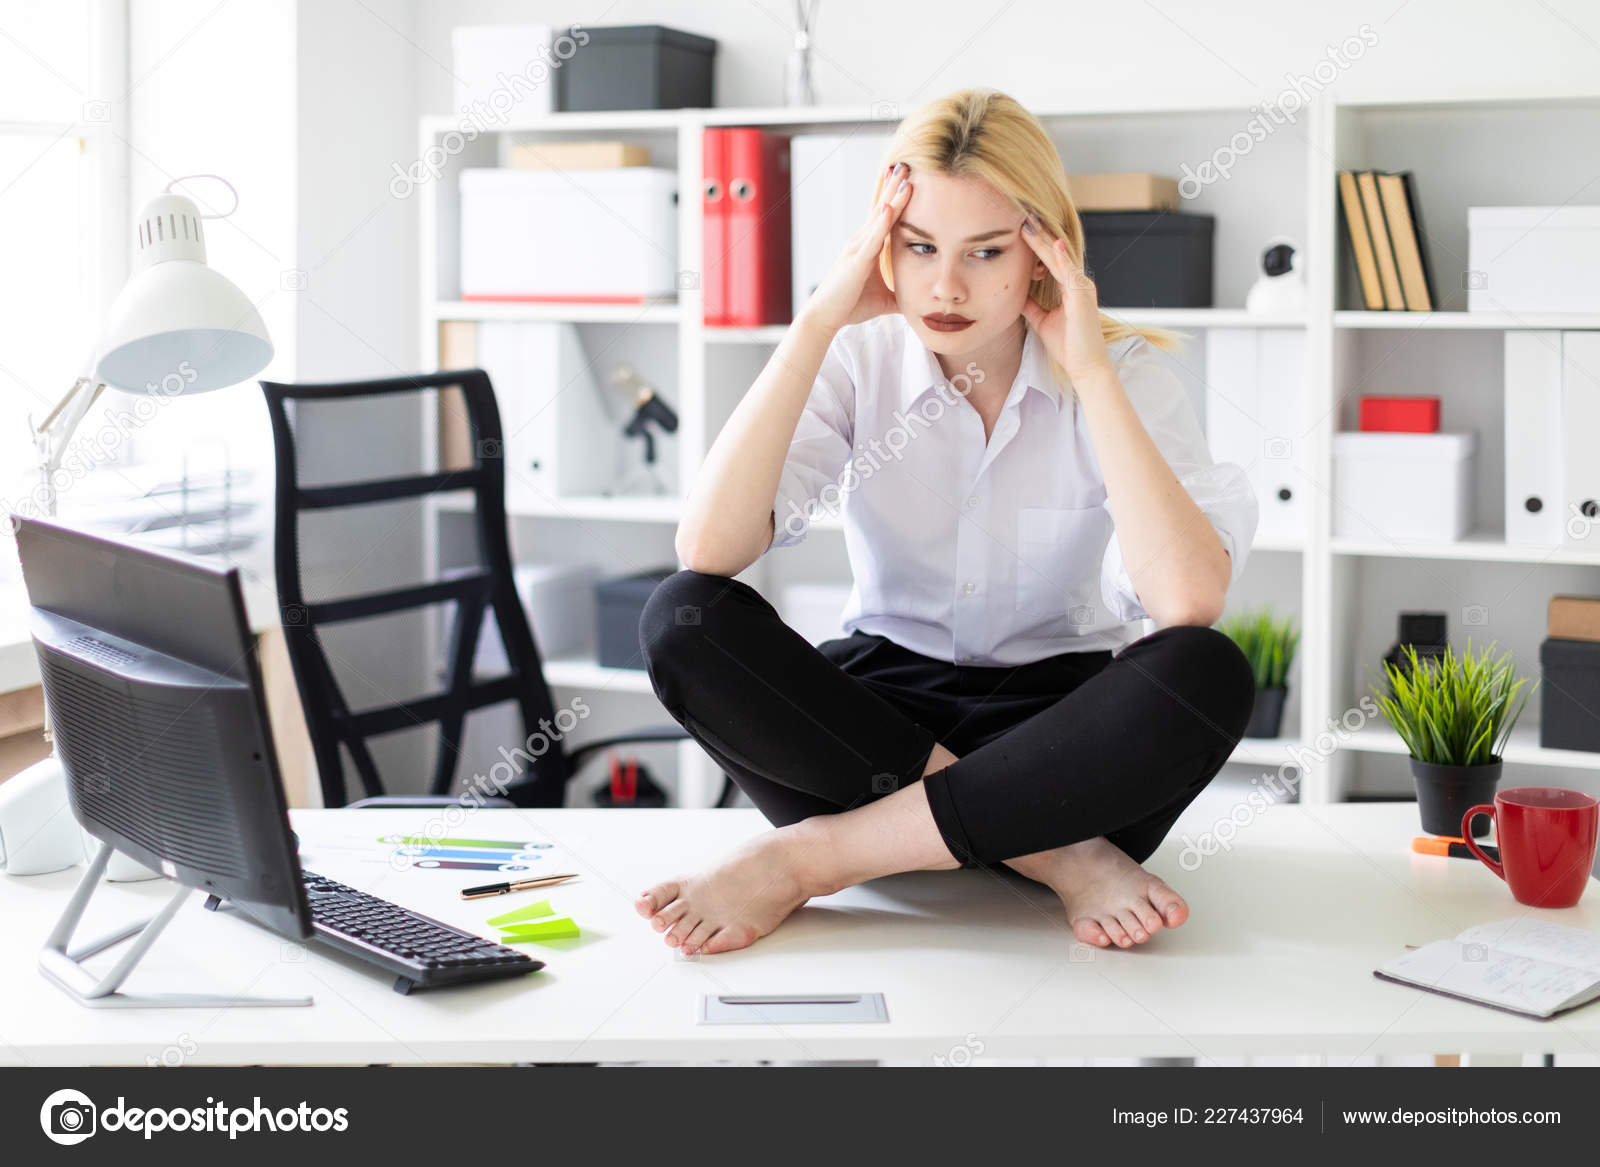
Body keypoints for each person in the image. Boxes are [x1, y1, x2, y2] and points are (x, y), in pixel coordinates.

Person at [635, 87, 1259, 958]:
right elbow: (708, 548)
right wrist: (815, 321)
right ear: (884, 243)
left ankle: (816, 856)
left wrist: (1090, 375)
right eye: (920, 246)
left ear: (1041, 251)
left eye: (986, 251)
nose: (946, 286)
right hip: (873, 732)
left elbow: (1187, 598)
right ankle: (1058, 856)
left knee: (1207, 669)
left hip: (1059, 742)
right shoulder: (858, 354)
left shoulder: (1118, 373)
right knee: (683, 614)